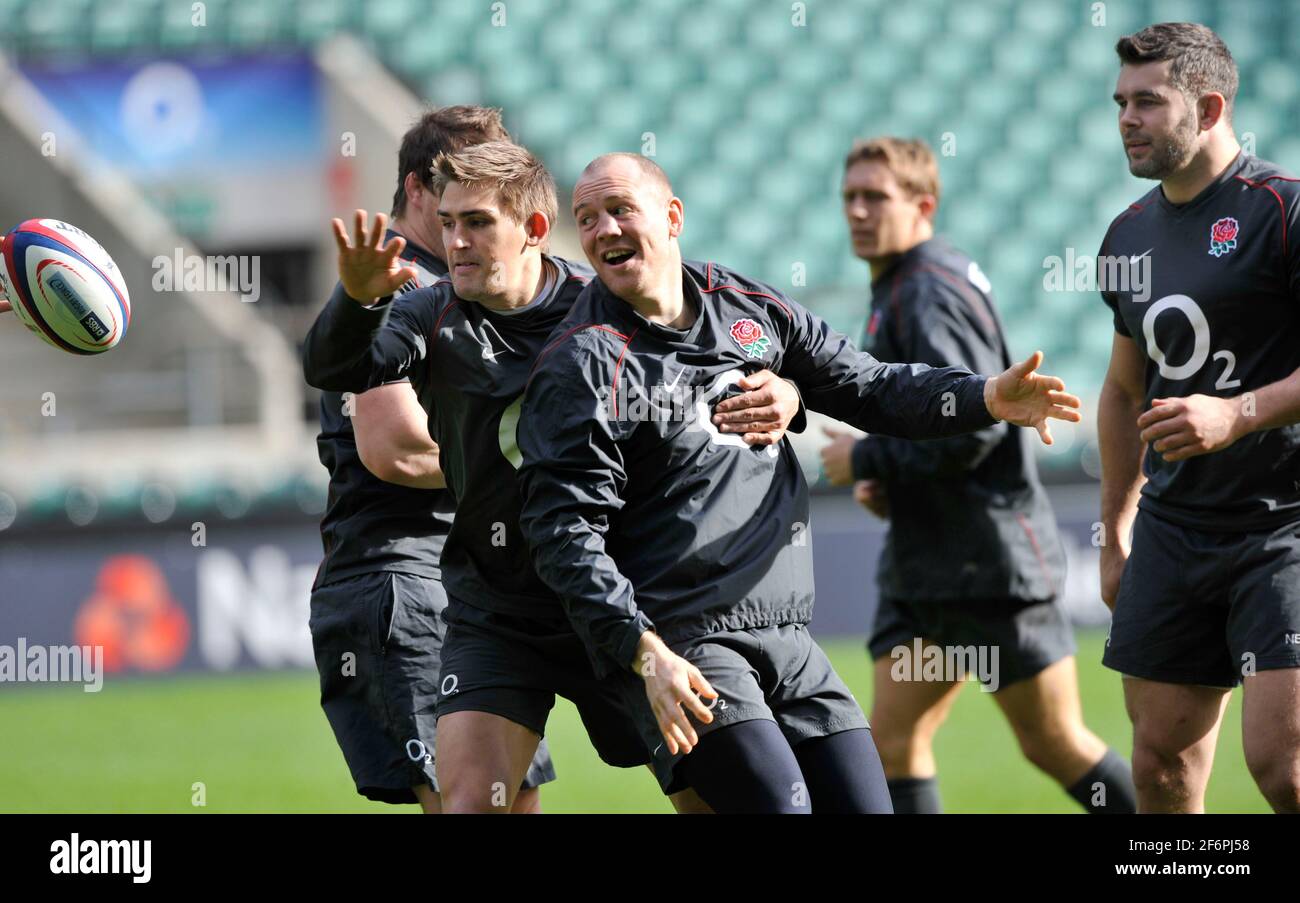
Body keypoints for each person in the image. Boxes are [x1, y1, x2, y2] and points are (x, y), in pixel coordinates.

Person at [515, 152, 1082, 813]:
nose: (603, 230)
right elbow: (562, 533)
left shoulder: (745, 305)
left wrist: (983, 396)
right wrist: (644, 653)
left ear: (672, 217)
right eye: (586, 218)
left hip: (787, 634)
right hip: (682, 642)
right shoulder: (580, 363)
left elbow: (868, 386)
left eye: (620, 210)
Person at [302, 140, 801, 812]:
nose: (456, 241)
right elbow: (336, 368)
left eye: (476, 222)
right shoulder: (430, 312)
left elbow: (701, 378)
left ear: (534, 228)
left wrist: (789, 394)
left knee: (713, 801)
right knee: (472, 803)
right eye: (447, 223)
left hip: (613, 601)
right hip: (498, 610)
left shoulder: (599, 306)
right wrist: (358, 302)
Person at [819, 136, 1135, 813]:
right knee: (893, 743)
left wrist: (865, 459)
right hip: (931, 564)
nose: (858, 211)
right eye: (850, 197)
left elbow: (975, 424)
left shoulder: (926, 291)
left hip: (987, 564)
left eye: (875, 197)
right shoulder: (906, 281)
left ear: (923, 205)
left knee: (1054, 742)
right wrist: (891, 479)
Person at [306, 106, 555, 813]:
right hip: (404, 573)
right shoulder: (393, 282)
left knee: (512, 804)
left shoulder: (463, 287)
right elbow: (396, 448)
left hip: (469, 583)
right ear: (418, 188)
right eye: (459, 187)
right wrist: (540, 460)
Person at [1098, 22, 1300, 813]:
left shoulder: (1283, 210)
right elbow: (1123, 392)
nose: (1127, 119)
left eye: (1149, 102)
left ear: (1210, 108)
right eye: (1121, 102)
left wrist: (1238, 414)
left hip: (1284, 524)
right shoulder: (1126, 235)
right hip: (1175, 528)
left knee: (1284, 767)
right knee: (1159, 766)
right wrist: (1115, 527)